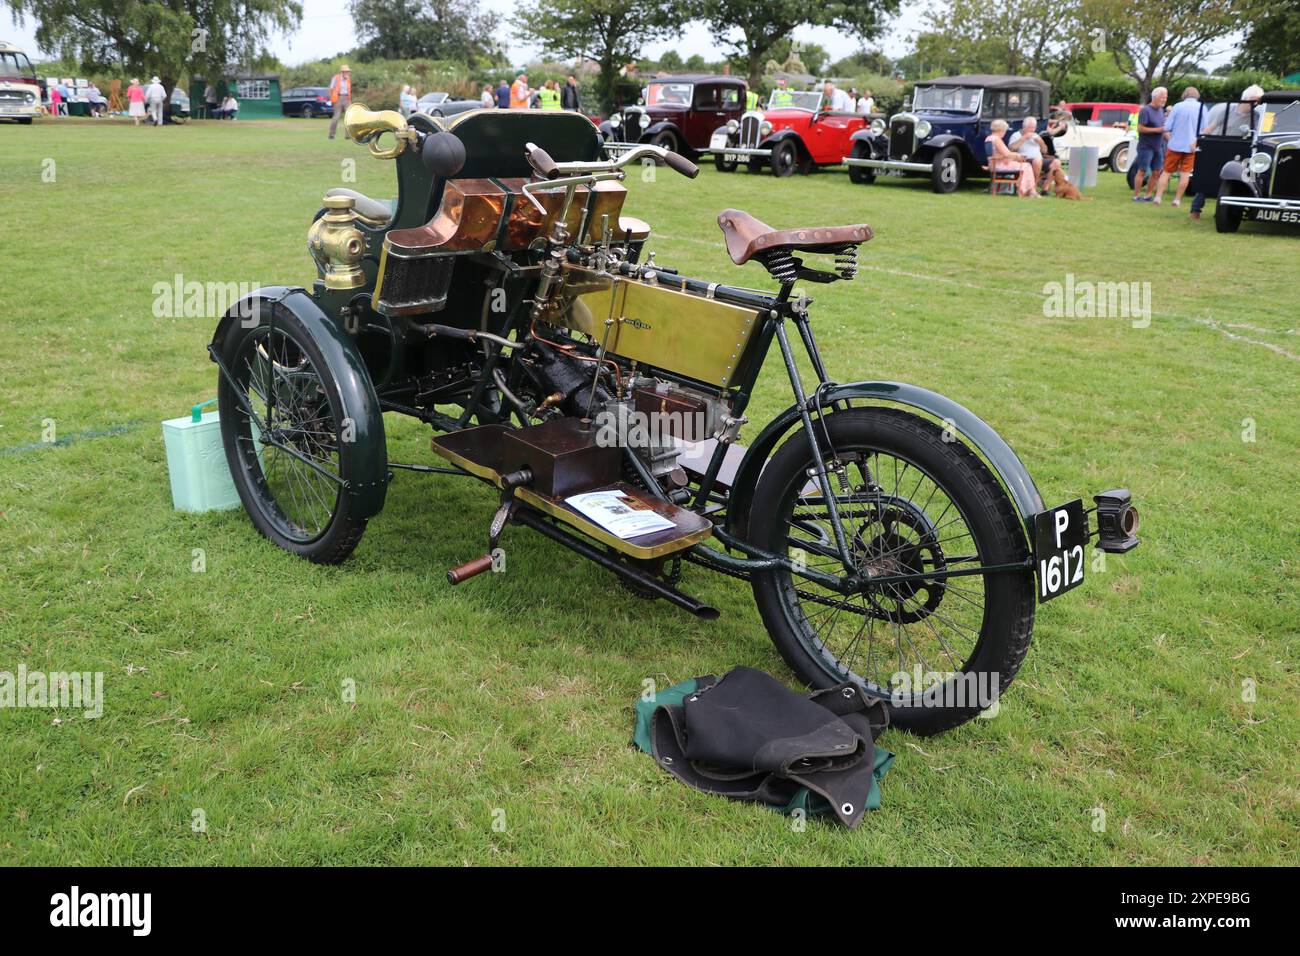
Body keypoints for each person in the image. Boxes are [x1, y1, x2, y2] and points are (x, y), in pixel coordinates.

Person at [1188, 85, 1264, 220]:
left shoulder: (1257, 116)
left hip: (1241, 150)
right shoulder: (1228, 110)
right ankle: (1195, 210)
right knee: (1207, 177)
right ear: (1246, 99)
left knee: (1237, 182)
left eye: (1258, 100)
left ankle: (1225, 212)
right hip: (1220, 147)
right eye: (1254, 99)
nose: (1256, 103)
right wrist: (1198, 140)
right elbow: (1211, 128)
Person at [1154, 87, 1201, 207]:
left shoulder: (1177, 106)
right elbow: (1204, 129)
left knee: (1166, 172)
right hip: (1191, 146)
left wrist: (1171, 138)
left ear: (1184, 95)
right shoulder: (1202, 108)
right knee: (1185, 173)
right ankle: (1177, 199)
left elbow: (1167, 126)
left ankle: (1158, 197)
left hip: (1175, 145)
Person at [1131, 86, 1167, 202]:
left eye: (1166, 97)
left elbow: (1164, 129)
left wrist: (1170, 140)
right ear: (1155, 97)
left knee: (1157, 172)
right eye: (1162, 97)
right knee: (1142, 170)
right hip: (1146, 146)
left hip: (1158, 146)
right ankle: (1136, 196)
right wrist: (1157, 130)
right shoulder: (1146, 110)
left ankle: (1148, 195)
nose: (1164, 99)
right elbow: (1140, 129)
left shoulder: (1161, 110)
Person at [985, 119, 1038, 197]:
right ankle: (1029, 191)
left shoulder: (989, 138)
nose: (1005, 133)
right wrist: (1018, 156)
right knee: (1027, 166)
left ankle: (1029, 190)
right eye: (1004, 130)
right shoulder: (997, 139)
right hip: (1000, 165)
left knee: (1023, 165)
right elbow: (1007, 154)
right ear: (1001, 130)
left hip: (994, 163)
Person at [1009, 116, 1059, 188]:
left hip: (1039, 159)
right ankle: (1033, 186)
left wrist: (1041, 142)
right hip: (1024, 159)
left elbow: (1044, 151)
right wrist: (1024, 138)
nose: (1032, 130)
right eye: (1030, 128)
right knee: (1037, 161)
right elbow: (1011, 149)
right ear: (1024, 127)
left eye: (1034, 128)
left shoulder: (1036, 136)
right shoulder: (1016, 135)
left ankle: (1045, 188)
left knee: (1056, 162)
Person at [328, 64, 352, 140]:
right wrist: (331, 99)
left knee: (348, 117)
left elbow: (348, 90)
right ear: (342, 72)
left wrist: (349, 99)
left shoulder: (348, 79)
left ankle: (348, 135)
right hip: (338, 98)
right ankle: (331, 135)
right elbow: (331, 89)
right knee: (336, 117)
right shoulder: (336, 78)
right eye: (346, 71)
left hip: (346, 98)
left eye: (348, 71)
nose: (347, 73)